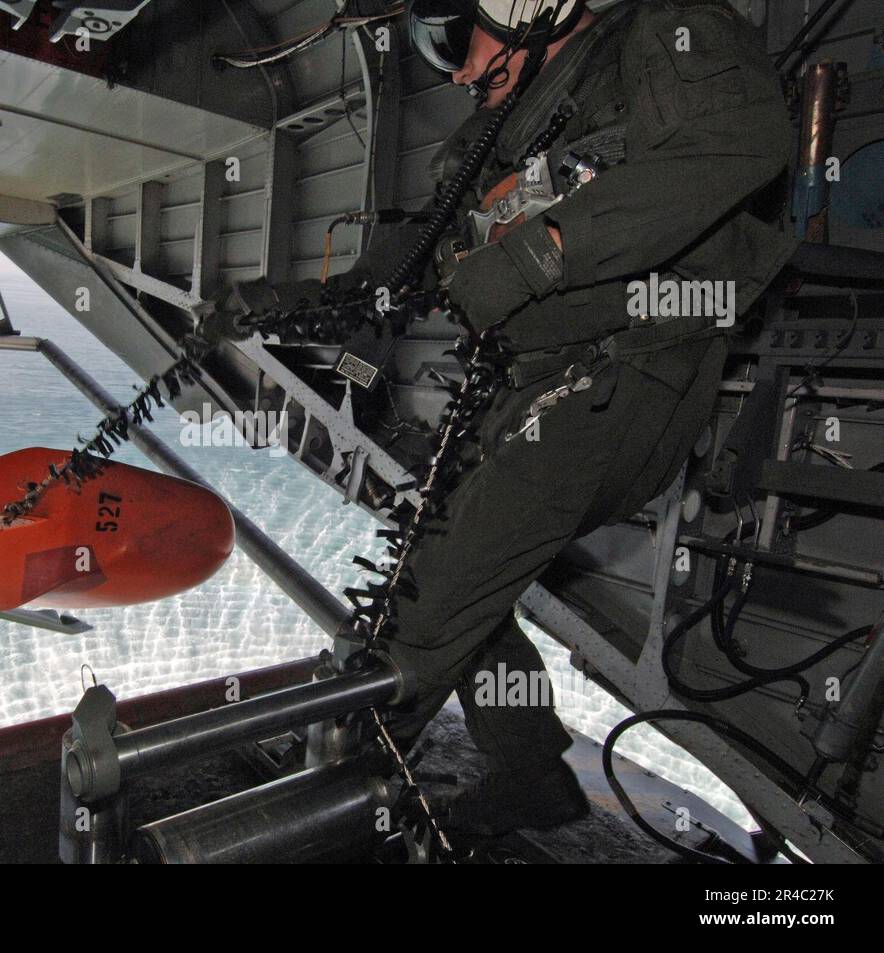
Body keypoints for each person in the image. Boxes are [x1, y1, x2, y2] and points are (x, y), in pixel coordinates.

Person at [221, 0, 798, 835]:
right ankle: (532, 771)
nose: (453, 70)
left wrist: (542, 251)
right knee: (460, 590)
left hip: (625, 374)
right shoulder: (490, 137)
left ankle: (321, 812)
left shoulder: (660, 34)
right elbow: (409, 259)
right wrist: (282, 302)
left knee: (423, 603)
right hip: (527, 383)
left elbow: (741, 143)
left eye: (455, 39)